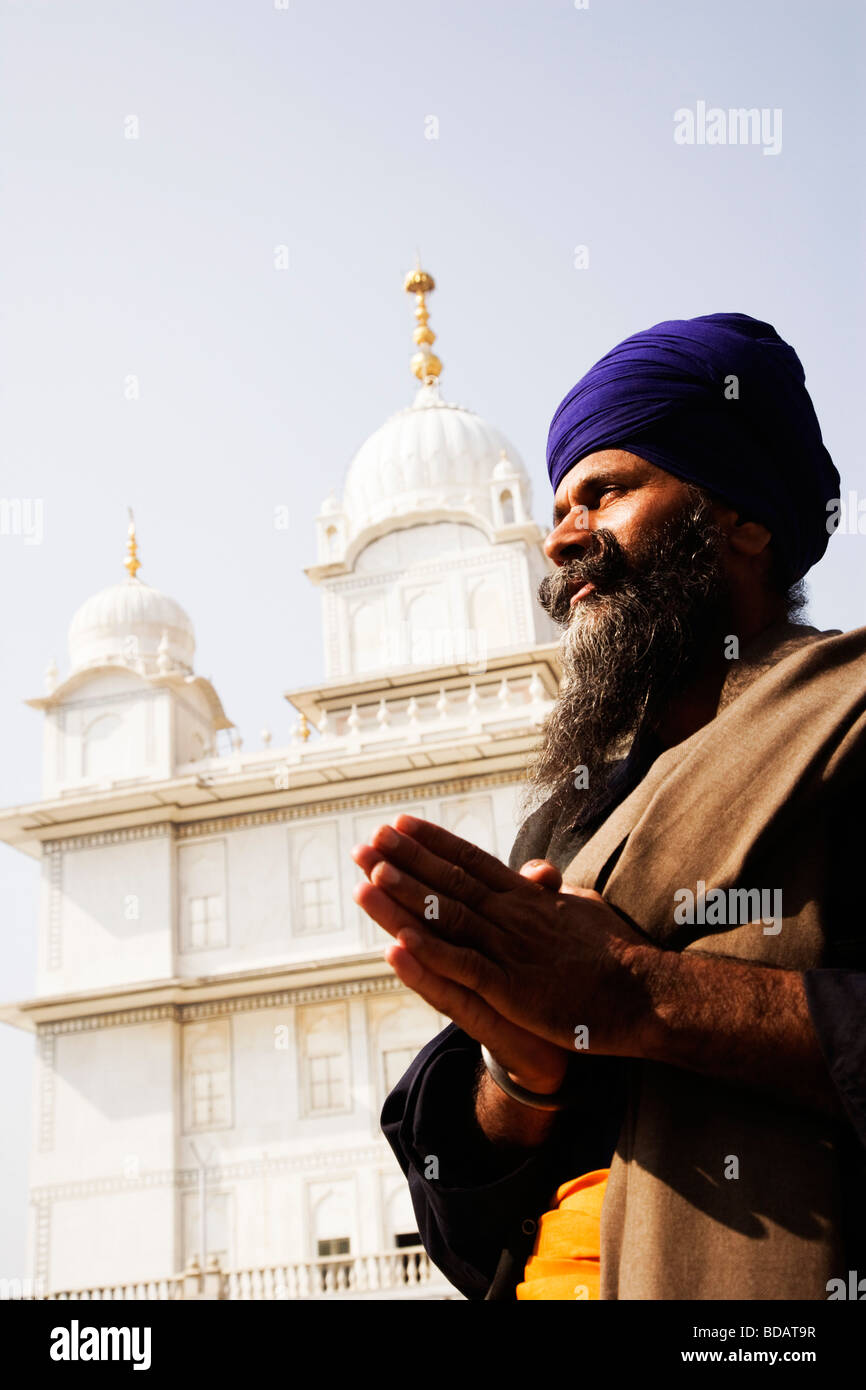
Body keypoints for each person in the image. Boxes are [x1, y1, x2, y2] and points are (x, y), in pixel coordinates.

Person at [351, 313, 866, 1301]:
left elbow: (628, 998)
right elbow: (470, 1207)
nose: (560, 537)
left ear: (742, 519)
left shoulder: (846, 717)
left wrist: (640, 997)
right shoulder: (566, 826)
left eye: (605, 491)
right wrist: (522, 1070)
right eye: (555, 509)